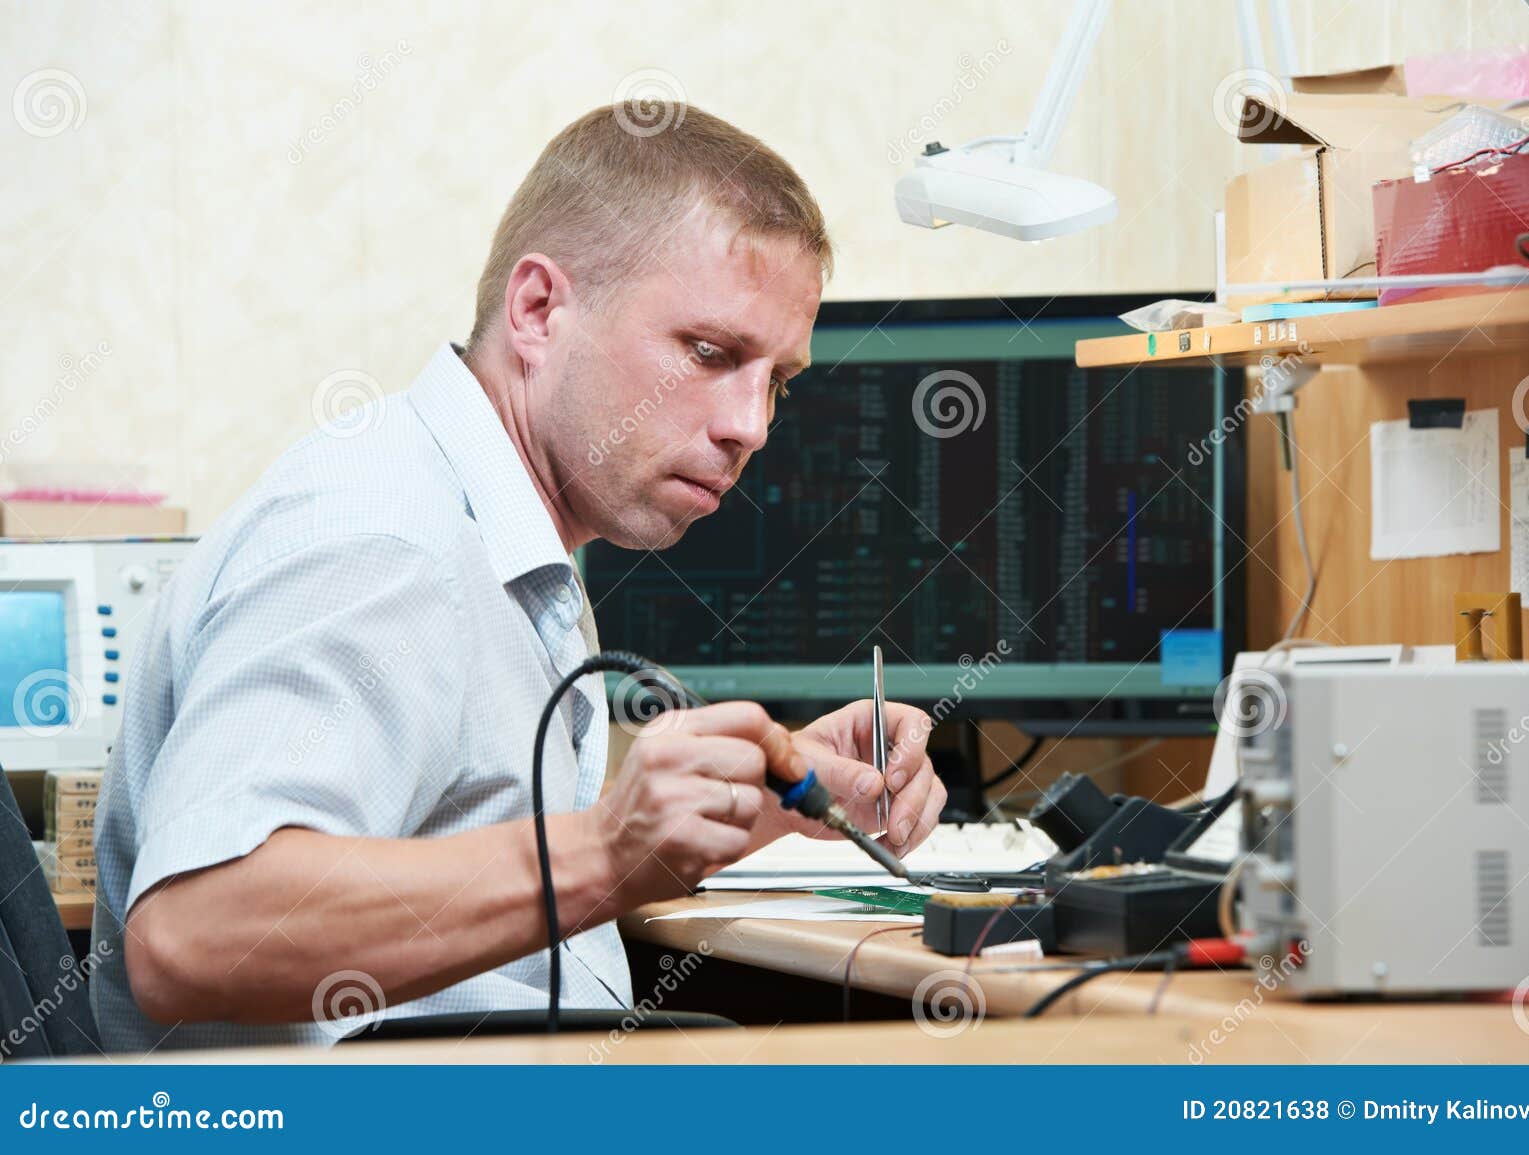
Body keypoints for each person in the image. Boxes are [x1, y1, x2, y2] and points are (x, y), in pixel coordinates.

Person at [90, 102, 946, 1050]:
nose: (752, 424)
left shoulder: (491, 522)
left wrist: (775, 790)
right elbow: (193, 935)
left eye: (778, 379)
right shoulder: (385, 539)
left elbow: (460, 818)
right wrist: (607, 851)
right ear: (538, 309)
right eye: (710, 353)